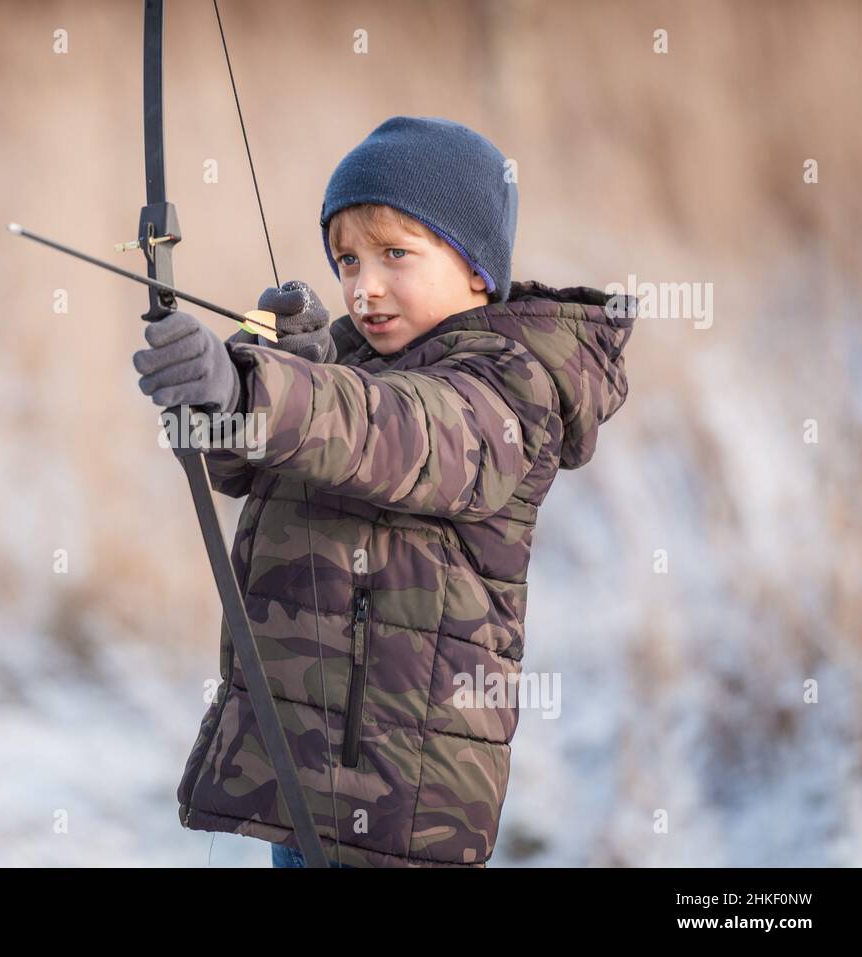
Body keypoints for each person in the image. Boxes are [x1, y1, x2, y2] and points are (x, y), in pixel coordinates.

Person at [132, 116, 635, 867]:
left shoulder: (507, 386)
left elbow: (394, 433)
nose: (364, 287)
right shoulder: (349, 367)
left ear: (476, 268)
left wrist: (258, 392)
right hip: (307, 785)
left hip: (402, 809)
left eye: (396, 254)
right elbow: (246, 468)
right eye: (346, 260)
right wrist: (233, 386)